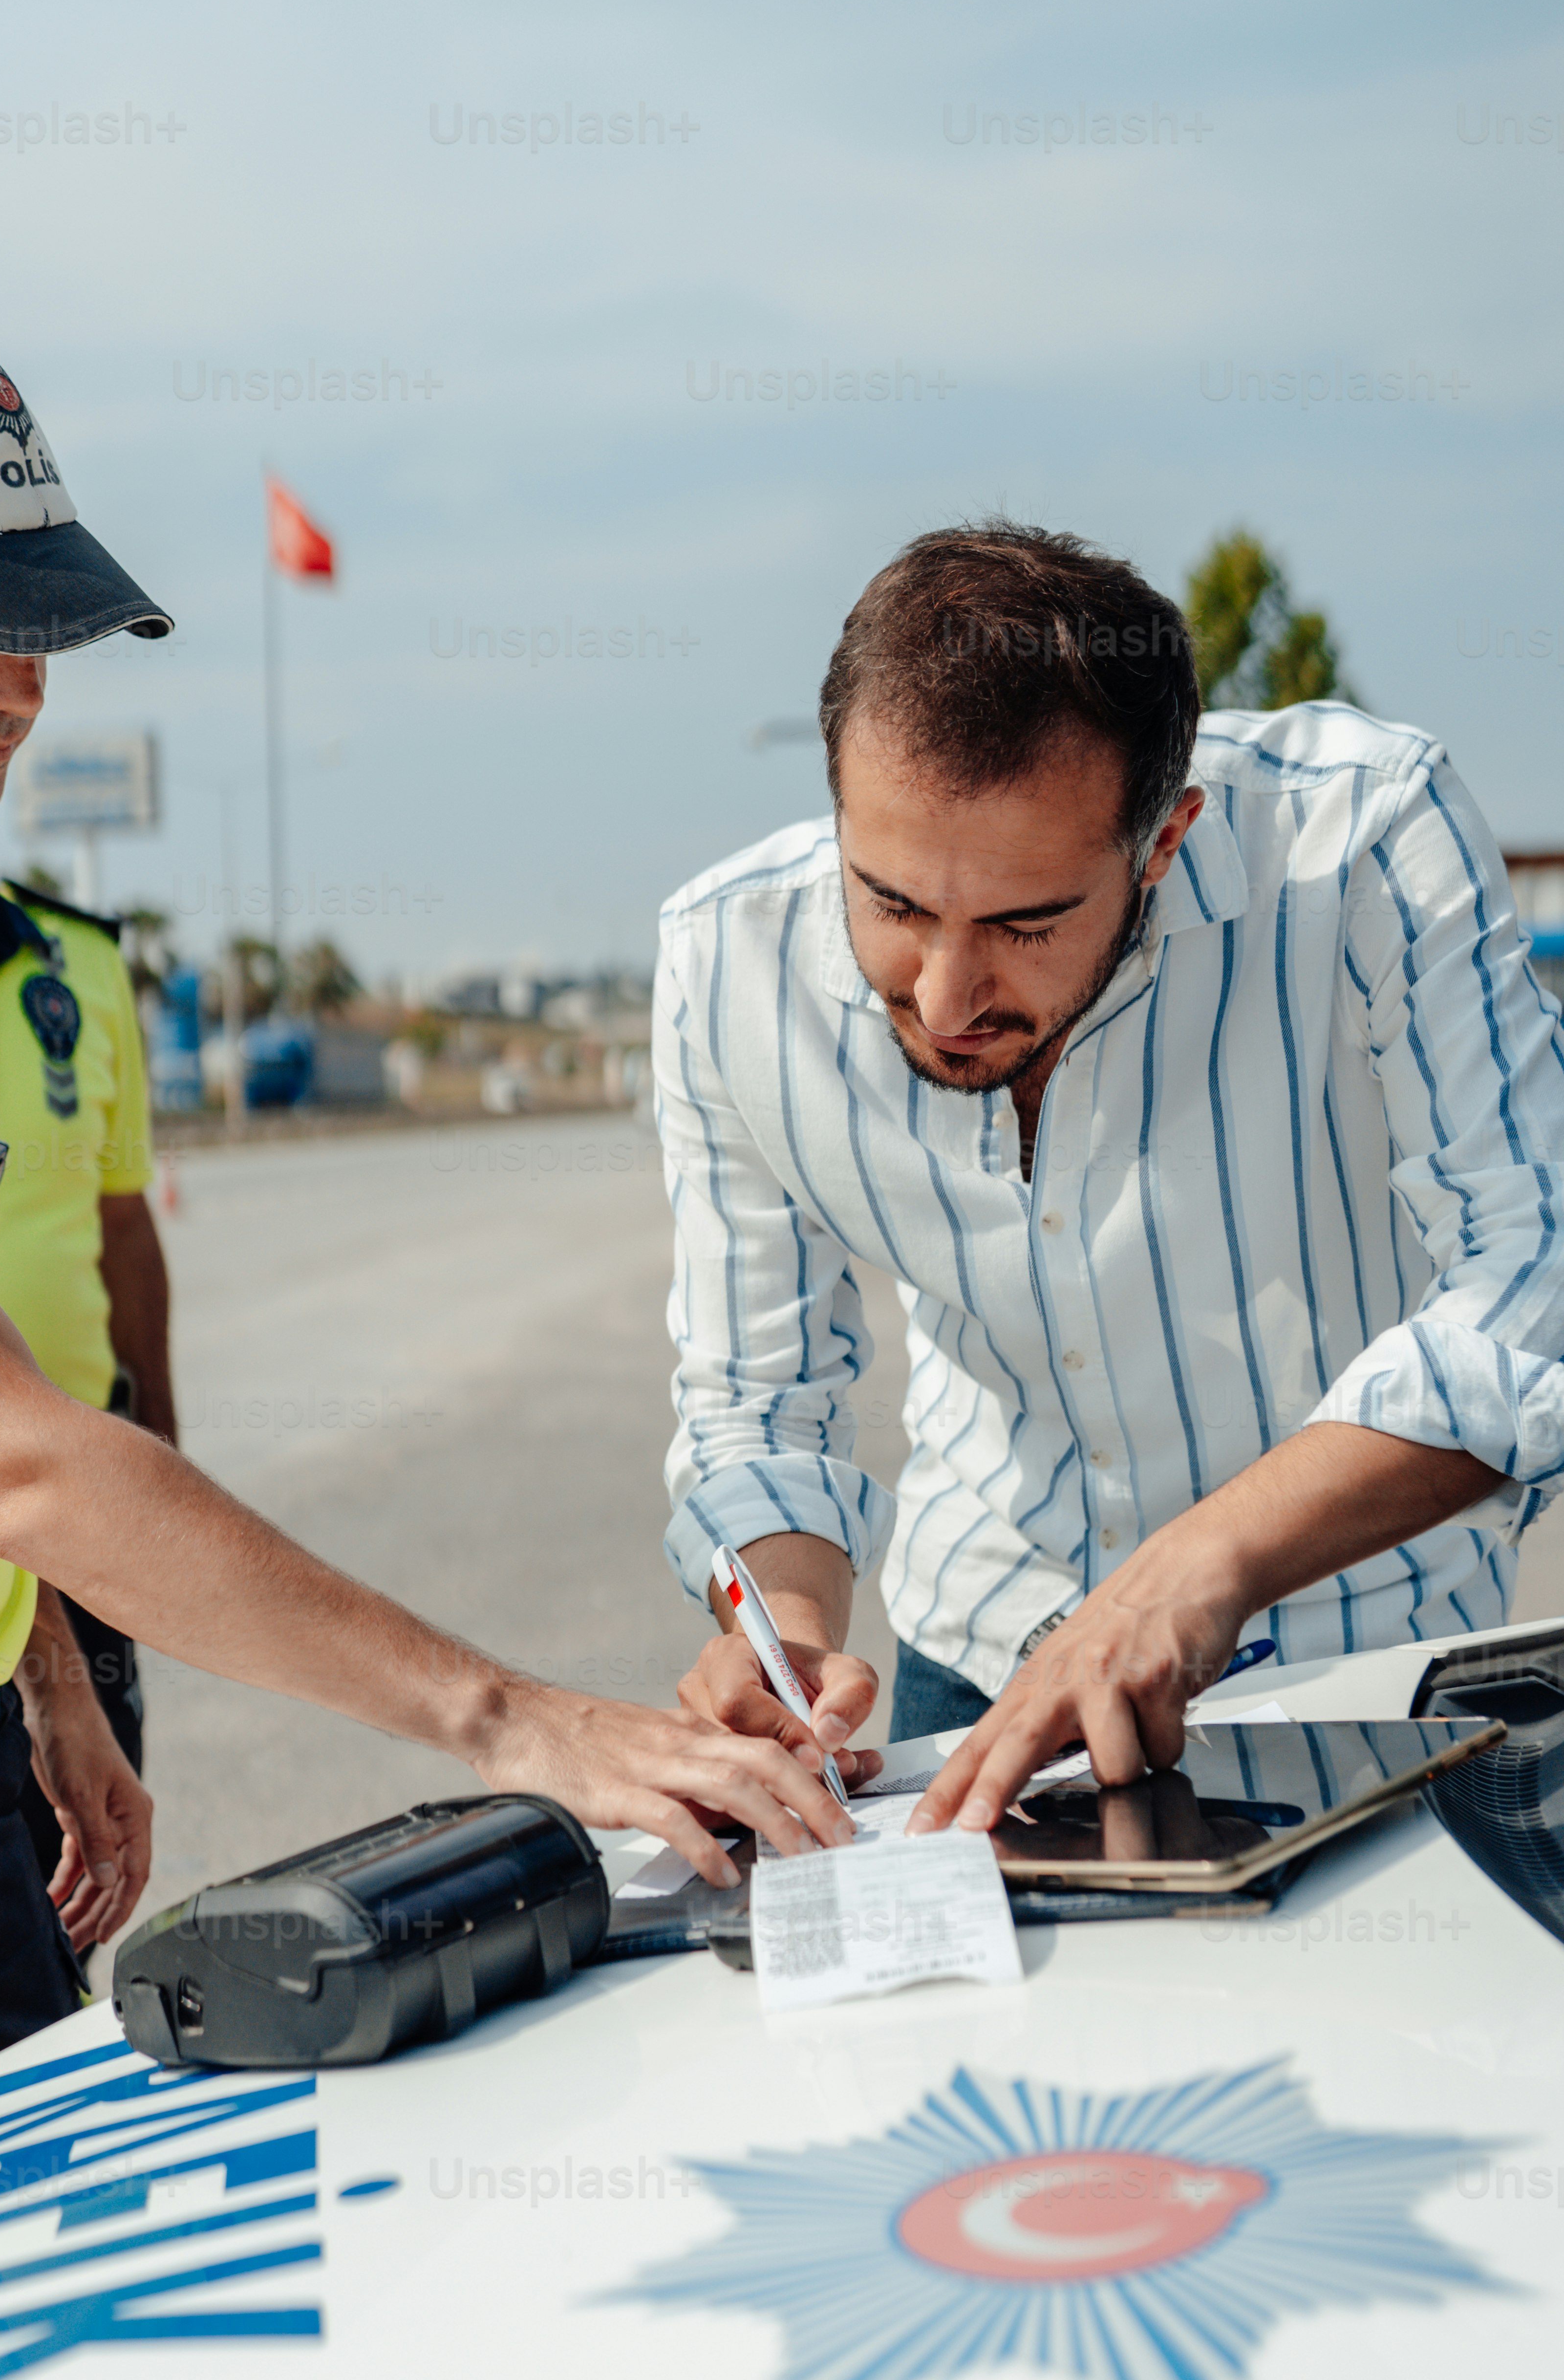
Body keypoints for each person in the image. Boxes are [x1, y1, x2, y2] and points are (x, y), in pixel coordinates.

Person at [0, 315, 839, 2322]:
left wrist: (45, 1690)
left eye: (39, 631)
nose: (15, 690)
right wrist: (518, 1723)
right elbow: (7, 1450)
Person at [661, 519, 1564, 1837]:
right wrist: (788, 1635)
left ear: (1167, 839)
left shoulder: (1368, 838)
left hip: (1366, 1671)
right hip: (971, 1680)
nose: (946, 996)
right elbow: (759, 1403)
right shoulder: (725, 960)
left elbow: (1532, 1283)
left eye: (1026, 923)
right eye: (893, 903)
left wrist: (1194, 1570)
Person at [0, 818, 167, 1826]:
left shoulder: (81, 962)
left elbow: (122, 1218)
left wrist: (159, 1442)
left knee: (88, 1850)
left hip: (86, 1493)